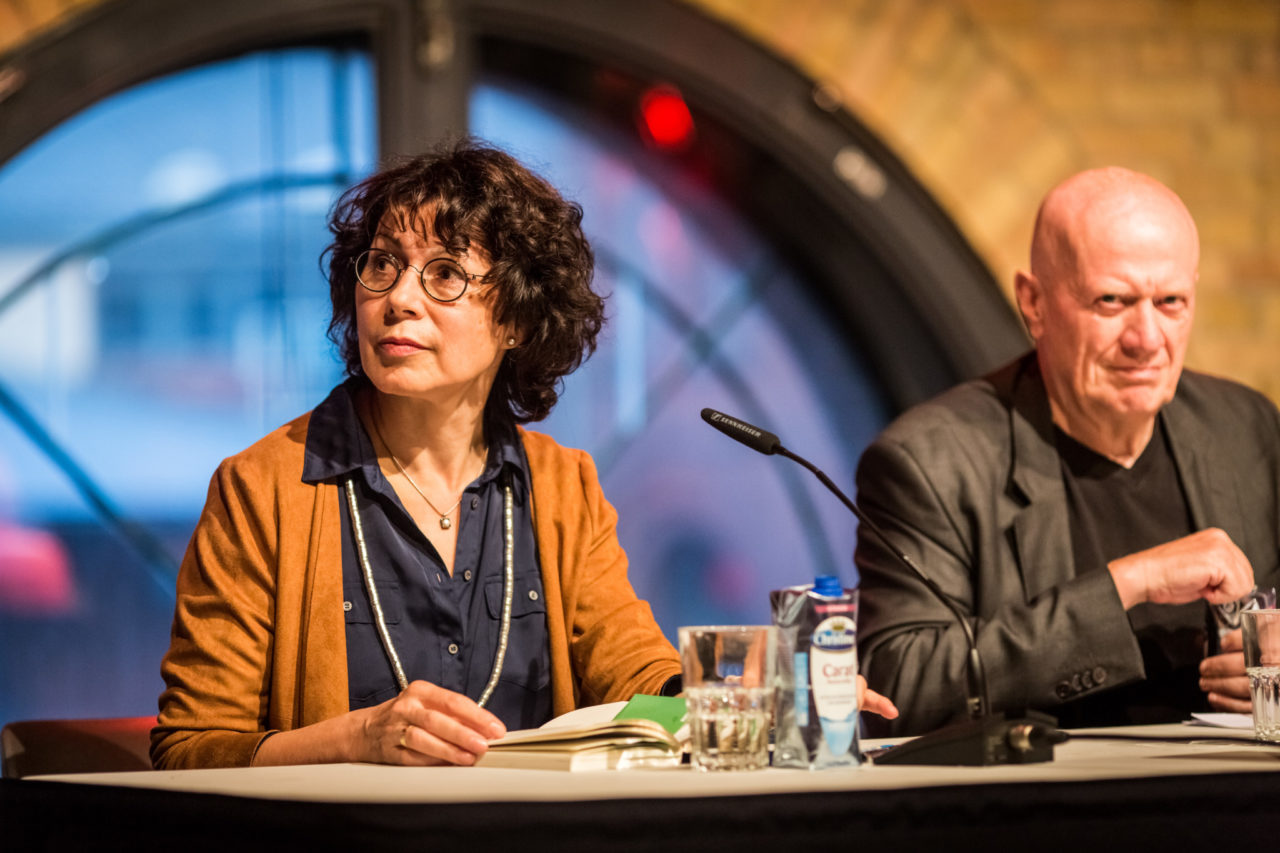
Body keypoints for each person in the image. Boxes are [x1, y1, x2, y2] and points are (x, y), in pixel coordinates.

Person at [152, 140, 894, 769]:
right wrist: (358, 736)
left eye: (443, 273)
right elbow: (188, 745)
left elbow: (635, 671)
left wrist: (759, 690)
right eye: (382, 264)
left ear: (516, 318)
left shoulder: (562, 484)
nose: (399, 297)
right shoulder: (264, 486)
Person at [855, 167, 1279, 736]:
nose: (1147, 339)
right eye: (1112, 301)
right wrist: (1128, 583)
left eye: (1171, 301)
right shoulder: (931, 462)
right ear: (1033, 302)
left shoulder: (1245, 428)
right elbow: (898, 685)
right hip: (1037, 813)